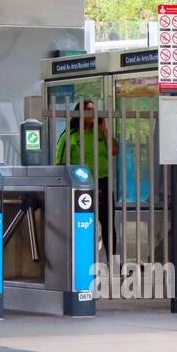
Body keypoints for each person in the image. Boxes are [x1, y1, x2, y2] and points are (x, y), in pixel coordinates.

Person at [55, 100, 119, 261]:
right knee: (83, 224)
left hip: (102, 182)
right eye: (88, 109)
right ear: (80, 113)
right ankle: (83, 262)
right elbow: (60, 163)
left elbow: (114, 150)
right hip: (80, 186)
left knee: (108, 226)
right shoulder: (70, 135)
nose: (92, 112)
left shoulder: (100, 133)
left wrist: (104, 129)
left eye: (94, 109)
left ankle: (113, 263)